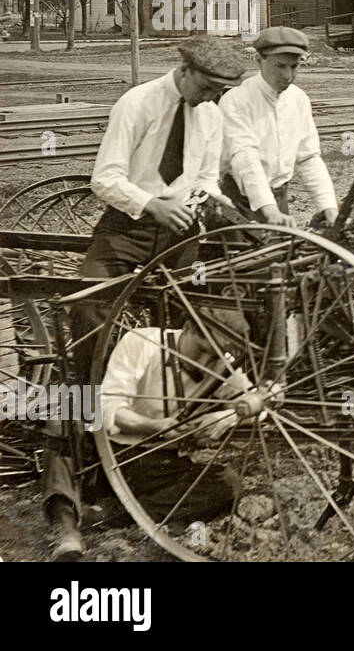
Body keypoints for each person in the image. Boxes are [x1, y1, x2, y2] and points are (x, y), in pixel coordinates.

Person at [49, 36, 246, 559]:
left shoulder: (211, 112)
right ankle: (95, 415)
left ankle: (173, 428)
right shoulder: (136, 103)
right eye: (208, 87)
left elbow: (203, 177)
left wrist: (215, 205)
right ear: (184, 70)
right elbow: (105, 178)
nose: (214, 99)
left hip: (181, 230)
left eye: (223, 91)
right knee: (89, 310)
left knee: (198, 325)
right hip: (128, 224)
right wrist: (153, 206)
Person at [97, 309, 253, 525]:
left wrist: (228, 416)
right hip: (117, 454)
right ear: (187, 327)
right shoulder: (141, 342)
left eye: (214, 355)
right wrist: (154, 426)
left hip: (163, 463)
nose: (205, 361)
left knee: (229, 484)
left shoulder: (221, 363)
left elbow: (258, 404)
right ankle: (118, 513)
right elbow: (106, 408)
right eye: (201, 350)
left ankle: (123, 513)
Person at [219, 27, 338, 227]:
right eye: (280, 66)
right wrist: (269, 210)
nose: (287, 75)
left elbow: (308, 157)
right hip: (238, 203)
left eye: (294, 66)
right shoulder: (237, 100)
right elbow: (245, 158)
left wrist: (329, 207)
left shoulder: (298, 99)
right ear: (259, 60)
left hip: (278, 199)